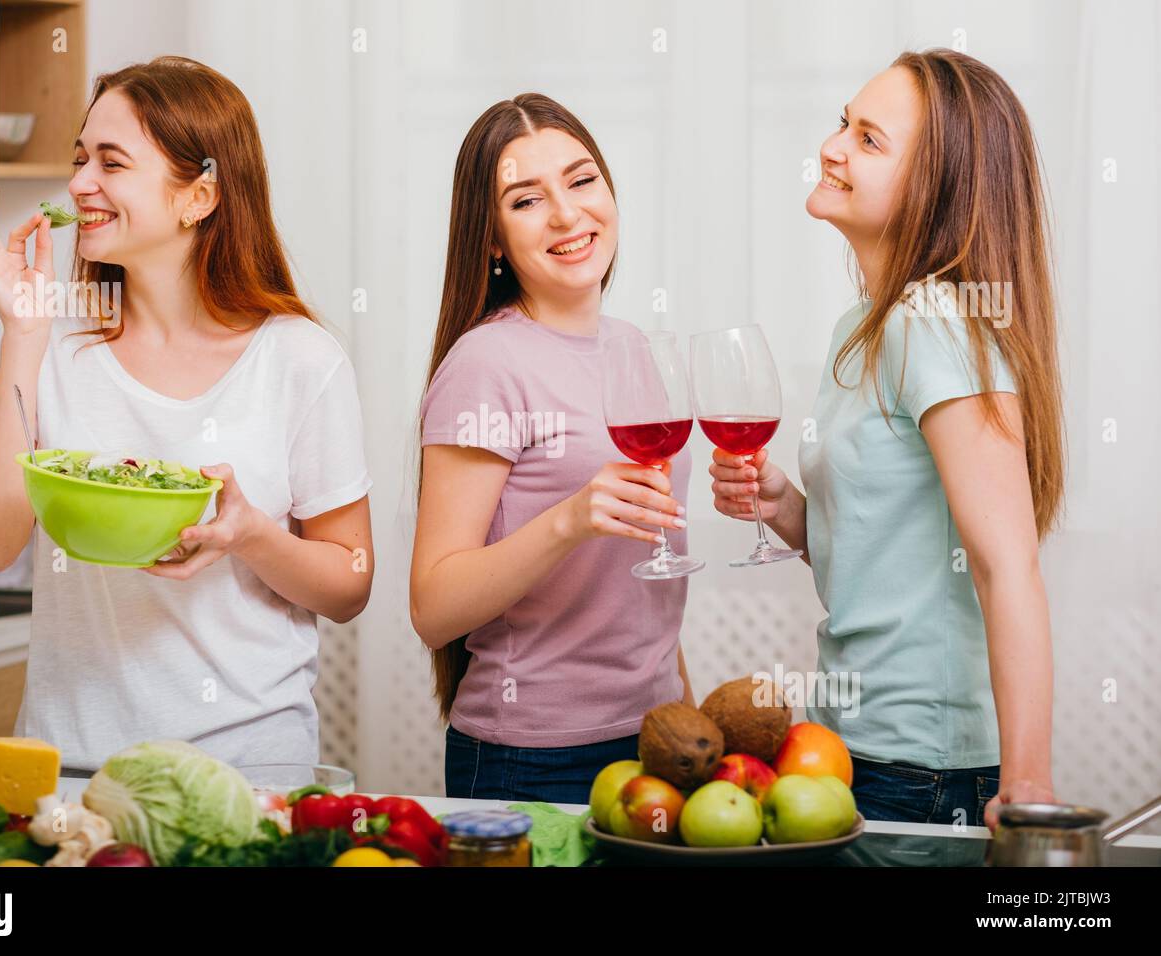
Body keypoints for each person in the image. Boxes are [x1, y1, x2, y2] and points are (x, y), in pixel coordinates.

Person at [0, 57, 373, 773]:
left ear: (198, 196)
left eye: (112, 163)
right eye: (80, 158)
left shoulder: (300, 359)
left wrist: (251, 537)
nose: (80, 182)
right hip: (70, 768)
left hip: (249, 769)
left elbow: (350, 581)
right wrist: (23, 333)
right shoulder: (57, 347)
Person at [710, 50, 1063, 830]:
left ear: (937, 191)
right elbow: (884, 547)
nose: (833, 145)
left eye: (870, 140)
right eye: (845, 122)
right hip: (852, 748)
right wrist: (788, 508)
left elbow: (1008, 565)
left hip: (923, 767)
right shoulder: (866, 325)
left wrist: (1029, 782)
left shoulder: (933, 321)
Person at [411, 93, 695, 804]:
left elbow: (647, 570)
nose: (568, 215)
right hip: (531, 760)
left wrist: (683, 714)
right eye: (527, 200)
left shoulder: (636, 349)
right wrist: (570, 519)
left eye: (581, 180)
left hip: (655, 740)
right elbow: (434, 606)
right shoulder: (485, 364)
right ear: (493, 240)